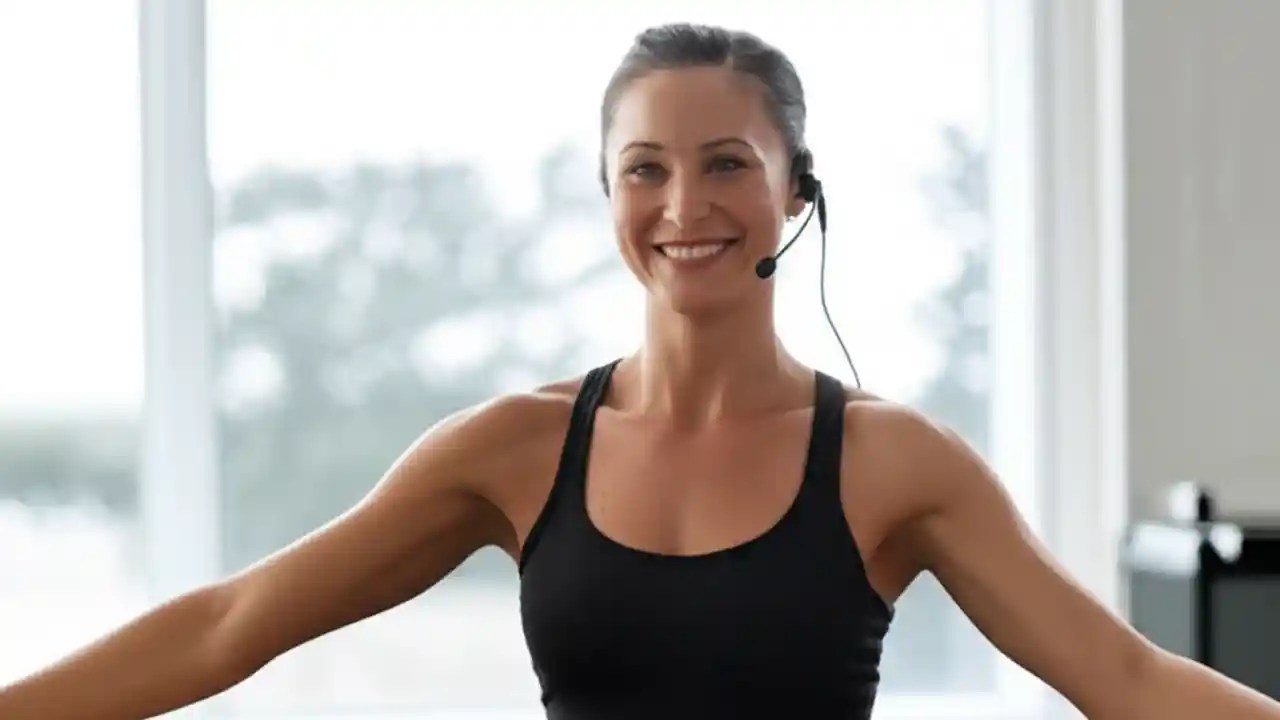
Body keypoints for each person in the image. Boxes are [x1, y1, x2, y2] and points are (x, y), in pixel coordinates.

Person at [2, 21, 1279, 720]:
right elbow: (232, 624)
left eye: (727, 163)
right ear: (608, 194)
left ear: (794, 192)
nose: (684, 206)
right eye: (645, 170)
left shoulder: (894, 462)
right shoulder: (510, 449)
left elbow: (1124, 680)